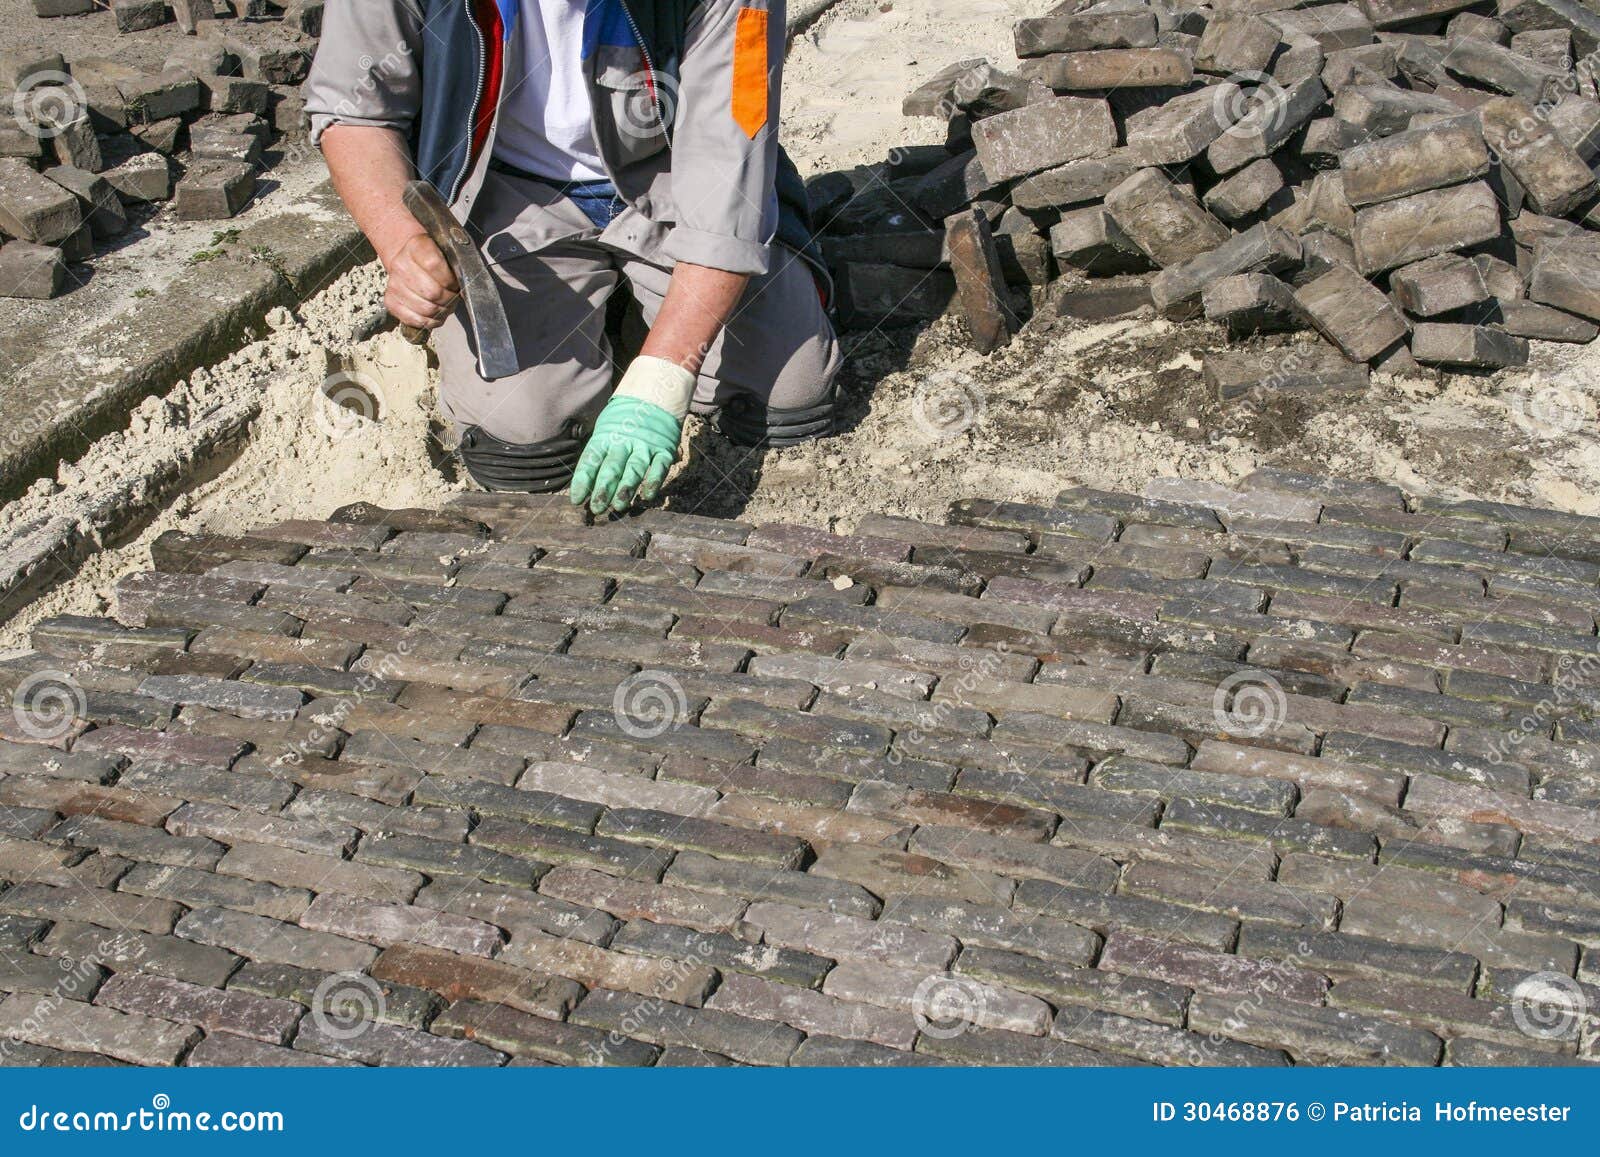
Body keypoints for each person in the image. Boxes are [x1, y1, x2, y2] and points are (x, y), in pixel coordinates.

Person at [303, 0, 841, 512]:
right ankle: (609, 319)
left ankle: (638, 325)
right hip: (505, 194)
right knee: (523, 438)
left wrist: (664, 374)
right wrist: (402, 243)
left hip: (677, 175)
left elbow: (730, 168)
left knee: (788, 393)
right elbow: (354, 110)